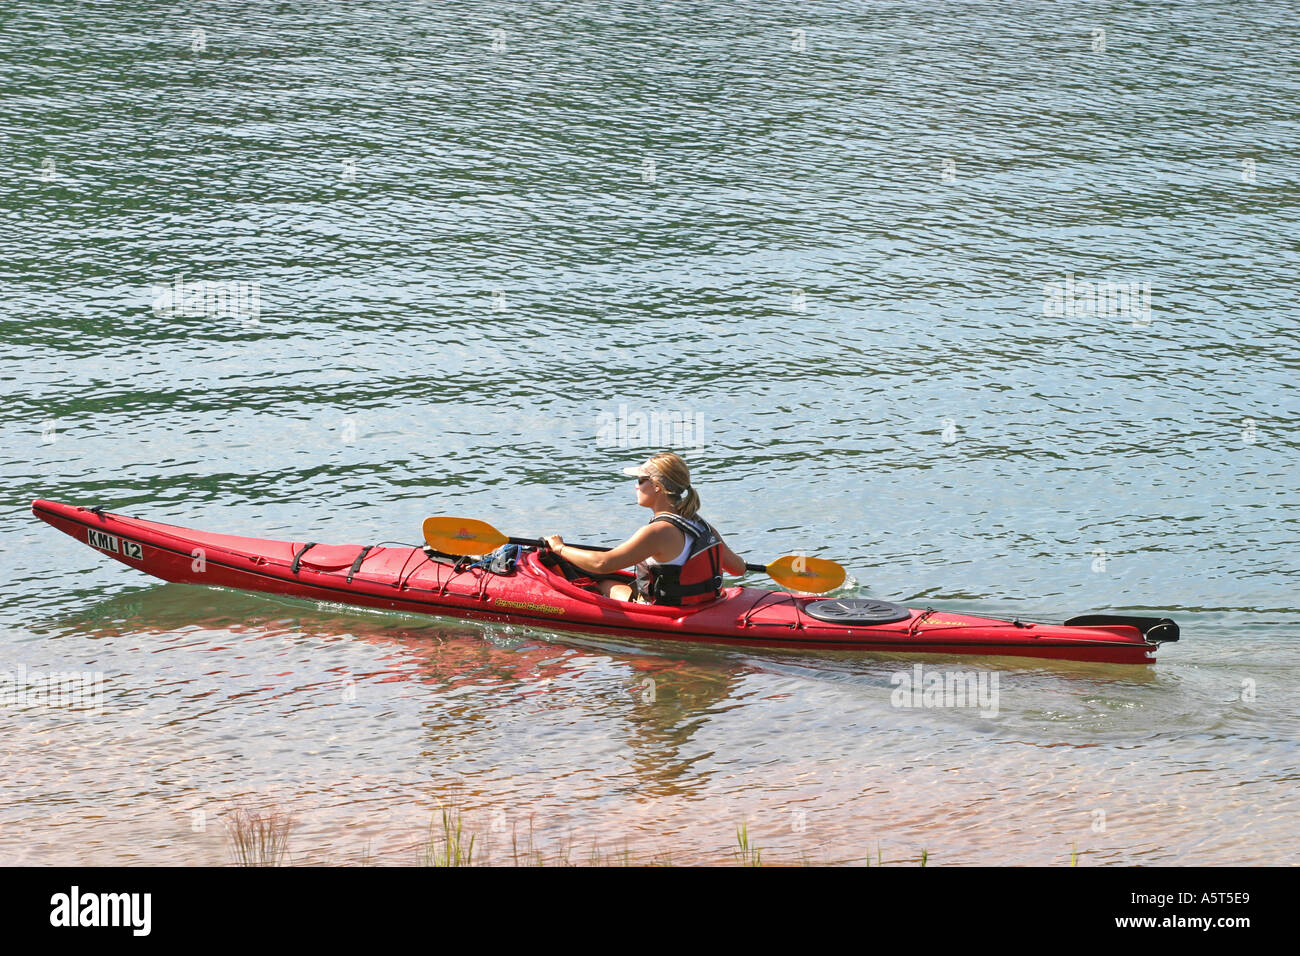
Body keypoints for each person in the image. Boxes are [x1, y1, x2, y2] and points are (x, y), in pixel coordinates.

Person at [543, 452, 746, 604]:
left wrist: (559, 548)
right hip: (703, 605)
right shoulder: (701, 524)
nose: (636, 486)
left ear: (657, 486)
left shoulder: (658, 531)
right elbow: (738, 569)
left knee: (597, 582)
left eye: (641, 481)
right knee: (607, 582)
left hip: (667, 611)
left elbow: (602, 564)